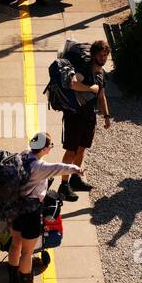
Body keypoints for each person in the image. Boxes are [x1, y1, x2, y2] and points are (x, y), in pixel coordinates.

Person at [5, 132, 74, 283]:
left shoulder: (22, 155)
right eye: (50, 146)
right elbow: (59, 167)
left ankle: (13, 278)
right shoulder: (39, 167)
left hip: (15, 208)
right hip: (31, 211)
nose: (51, 148)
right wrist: (77, 169)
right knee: (27, 252)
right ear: (43, 149)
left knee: (15, 244)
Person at [55, 40, 112, 201]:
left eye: (106, 55)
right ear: (94, 55)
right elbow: (72, 83)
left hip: (89, 116)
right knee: (71, 150)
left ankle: (75, 178)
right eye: (101, 55)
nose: (103, 58)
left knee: (81, 148)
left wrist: (106, 116)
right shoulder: (84, 70)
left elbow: (101, 95)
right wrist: (89, 88)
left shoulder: (101, 74)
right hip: (75, 116)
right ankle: (63, 186)